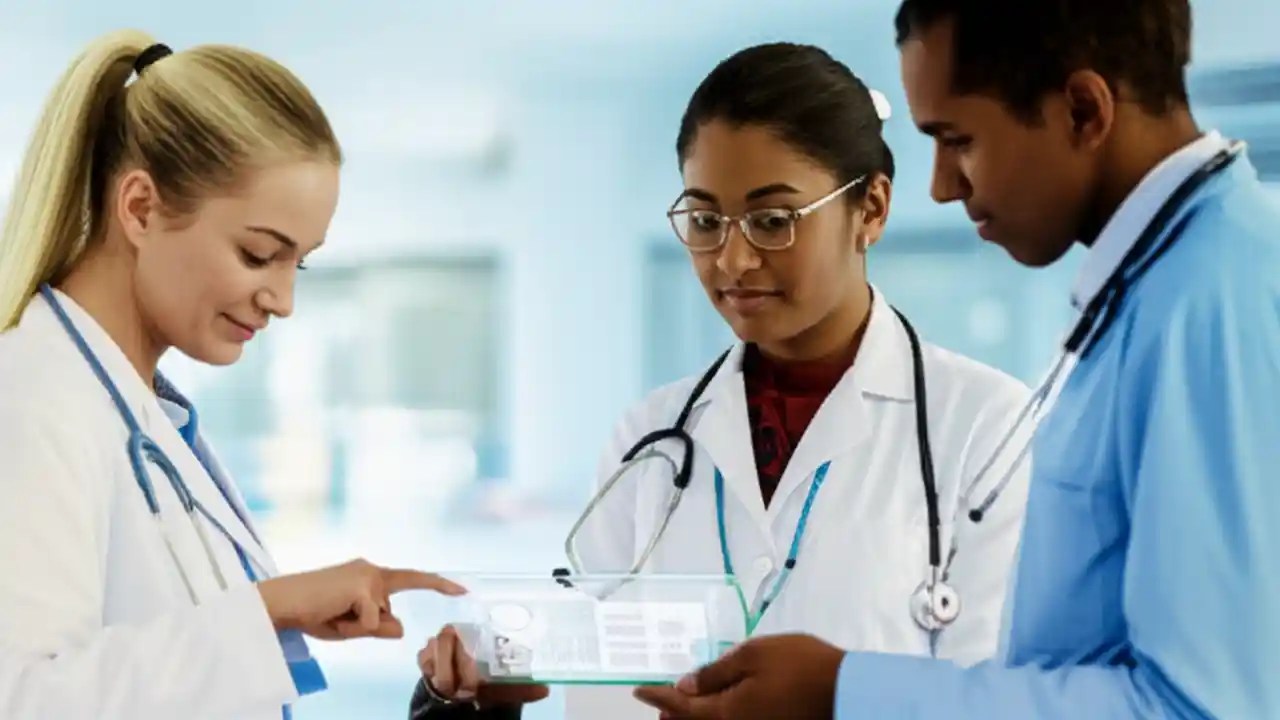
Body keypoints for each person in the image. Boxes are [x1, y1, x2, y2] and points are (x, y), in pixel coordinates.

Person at [633, 2, 1280, 719]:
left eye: (957, 140)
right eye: (705, 220)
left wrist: (843, 692)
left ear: (1082, 111)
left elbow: (1206, 707)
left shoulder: (1215, 299)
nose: (942, 186)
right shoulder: (1158, 288)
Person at [409, 42, 1032, 719]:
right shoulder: (650, 439)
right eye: (706, 221)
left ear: (872, 210)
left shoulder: (986, 428)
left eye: (773, 221)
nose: (732, 260)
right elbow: (598, 698)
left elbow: (1002, 702)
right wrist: (482, 692)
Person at [0, 30, 463, 720]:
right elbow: (22, 698)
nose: (283, 300)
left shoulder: (147, 420)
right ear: (140, 208)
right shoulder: (34, 396)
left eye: (298, 262)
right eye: (258, 254)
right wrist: (270, 608)